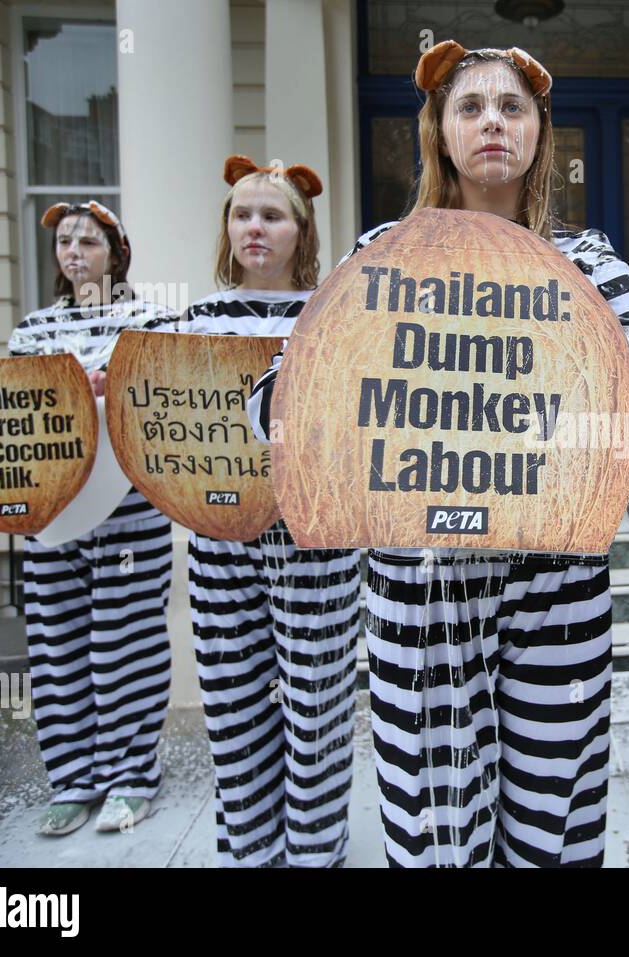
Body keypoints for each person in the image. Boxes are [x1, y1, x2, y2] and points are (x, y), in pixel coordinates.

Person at [248, 40, 629, 867]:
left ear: (539, 132)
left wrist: (572, 424)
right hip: (416, 586)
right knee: (429, 827)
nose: (492, 121)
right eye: (470, 107)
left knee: (553, 819)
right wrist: (325, 416)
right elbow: (280, 404)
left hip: (558, 585)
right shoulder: (382, 256)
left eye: (512, 107)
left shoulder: (592, 265)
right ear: (438, 133)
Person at [173, 156, 364, 867]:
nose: (255, 226)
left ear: (302, 230)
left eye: (272, 214)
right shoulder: (191, 322)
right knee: (232, 694)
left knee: (316, 697)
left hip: (317, 536)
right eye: (242, 214)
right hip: (219, 536)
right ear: (226, 229)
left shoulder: (334, 313)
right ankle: (249, 848)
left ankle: (317, 849)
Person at [10, 201, 175, 836]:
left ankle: (132, 776)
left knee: (123, 644)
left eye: (88, 241)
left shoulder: (148, 321)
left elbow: (163, 401)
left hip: (129, 510)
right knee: (57, 644)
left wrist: (117, 387)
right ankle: (73, 780)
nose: (74, 251)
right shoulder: (31, 331)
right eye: (65, 242)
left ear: (116, 252)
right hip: (51, 512)